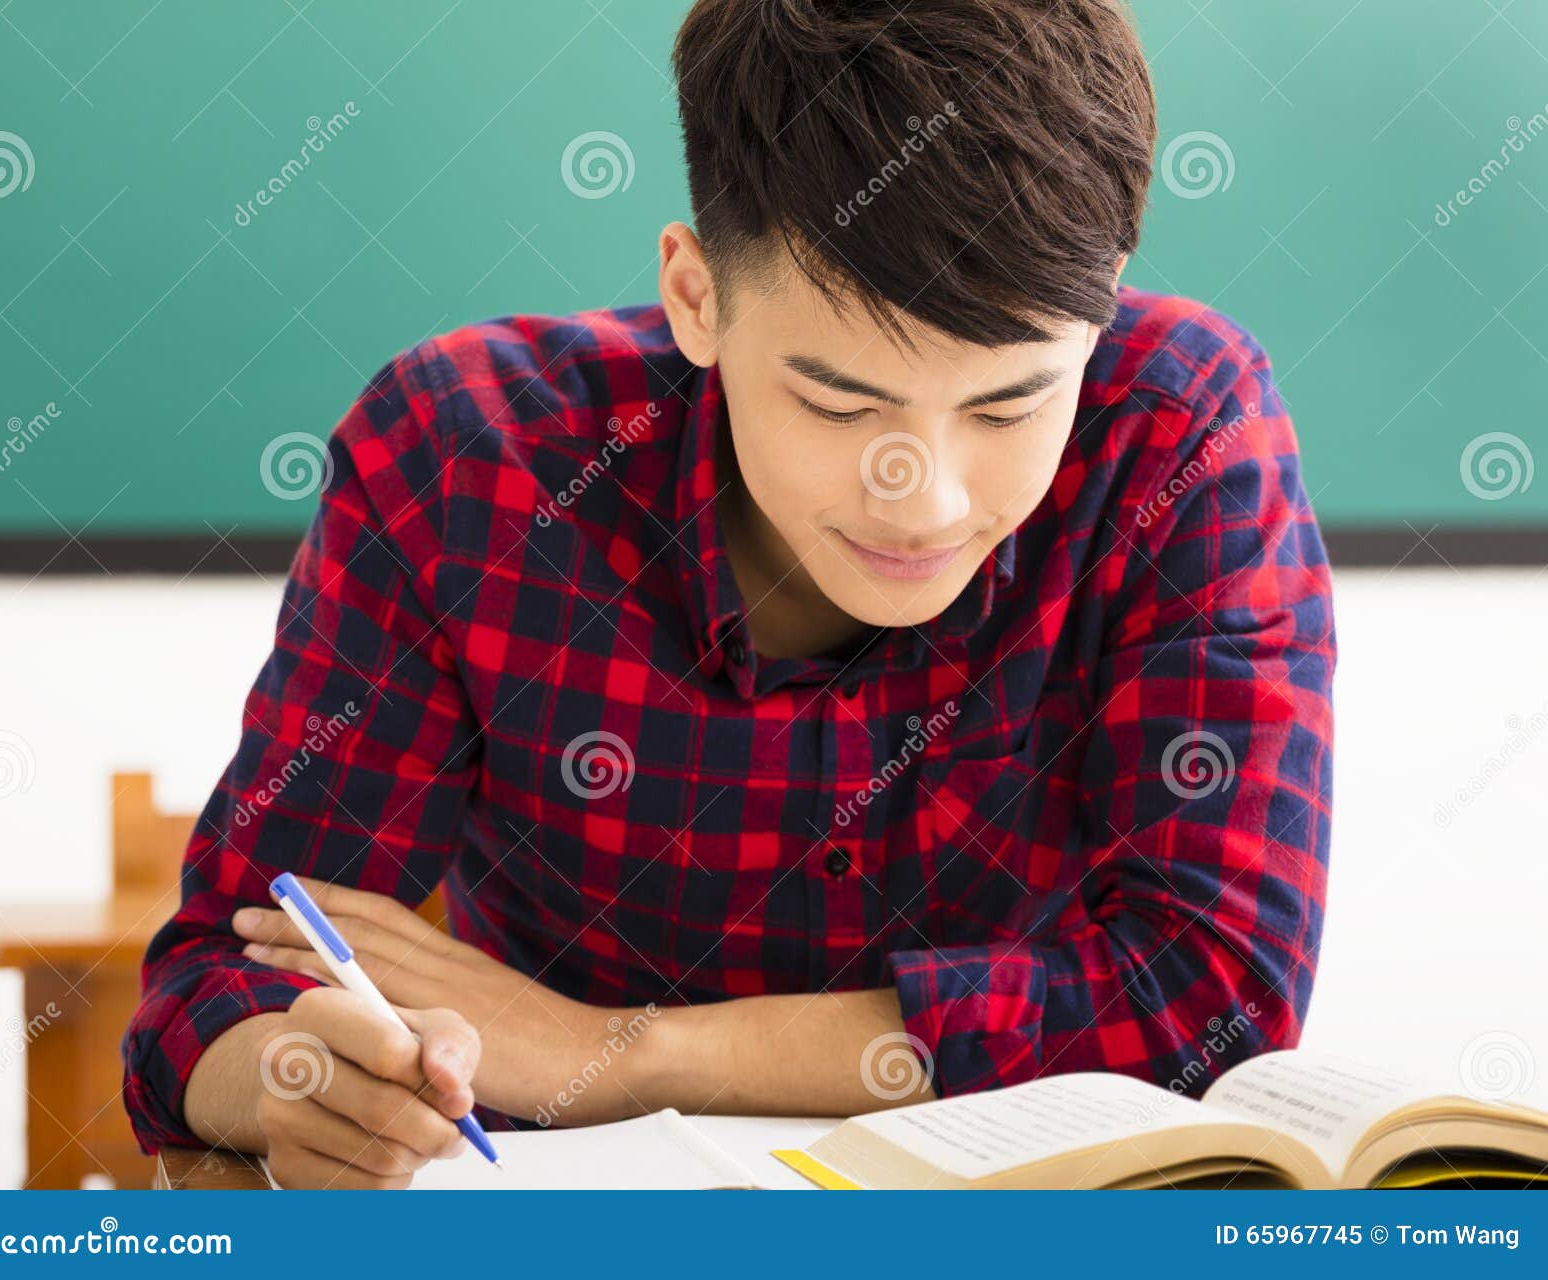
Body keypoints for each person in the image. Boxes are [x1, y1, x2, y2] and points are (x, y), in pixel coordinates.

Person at [123, 0, 1335, 1188]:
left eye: (1008, 405)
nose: (919, 495)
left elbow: (1213, 998)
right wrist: (305, 1076)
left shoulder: (1180, 434)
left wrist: (620, 1053)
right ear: (696, 295)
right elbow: (215, 985)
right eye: (838, 403)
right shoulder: (463, 460)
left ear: (1105, 299)